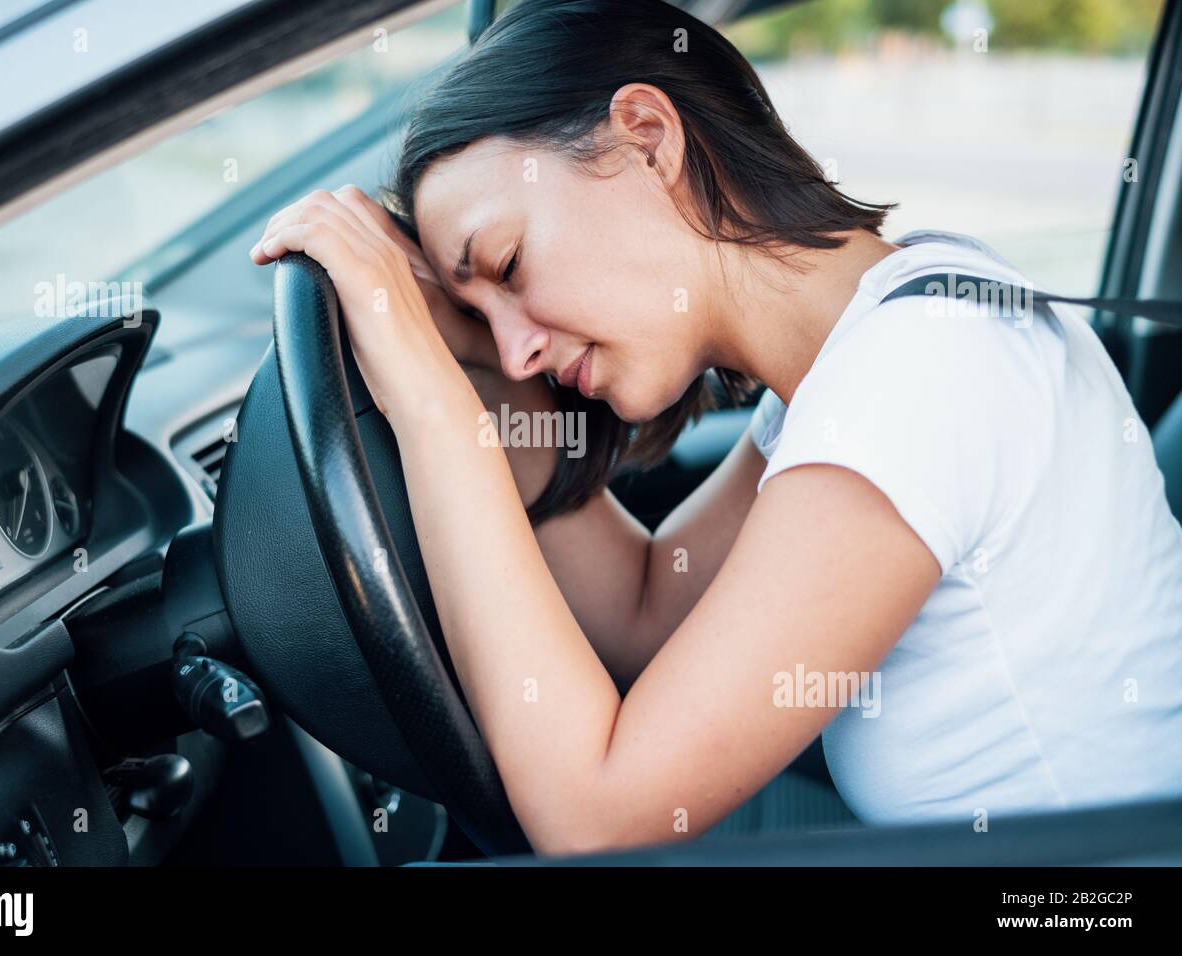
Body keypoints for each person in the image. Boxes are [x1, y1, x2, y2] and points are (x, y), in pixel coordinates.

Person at [248, 0, 1182, 855]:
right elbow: (648, 609)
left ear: (649, 140)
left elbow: (594, 820)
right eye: (481, 312)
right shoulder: (875, 337)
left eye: (509, 262)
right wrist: (469, 360)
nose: (518, 349)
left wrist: (430, 406)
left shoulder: (919, 376)